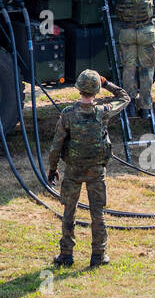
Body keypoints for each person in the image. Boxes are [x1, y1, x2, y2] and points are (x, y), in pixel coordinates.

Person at [46, 69, 131, 268]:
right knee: (97, 212)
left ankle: (66, 255)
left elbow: (56, 145)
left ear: (78, 89)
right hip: (96, 171)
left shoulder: (68, 114)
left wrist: (52, 169)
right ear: (96, 90)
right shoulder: (104, 111)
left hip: (73, 170)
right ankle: (98, 255)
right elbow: (125, 97)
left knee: (69, 211)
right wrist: (107, 82)